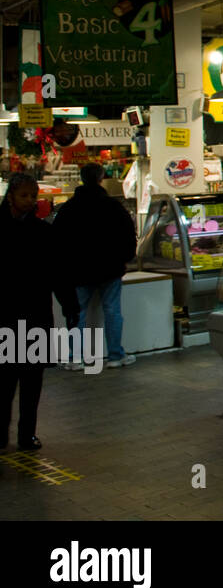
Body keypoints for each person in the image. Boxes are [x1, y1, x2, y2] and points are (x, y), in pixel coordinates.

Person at [53, 163, 139, 369]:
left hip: (78, 272)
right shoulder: (114, 207)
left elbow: (56, 241)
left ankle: (76, 358)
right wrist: (125, 259)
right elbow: (128, 236)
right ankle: (116, 356)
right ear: (101, 179)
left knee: (77, 312)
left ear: (81, 179)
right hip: (110, 270)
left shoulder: (68, 209)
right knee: (112, 311)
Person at [1, 174, 61, 449]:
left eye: (32, 195)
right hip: (5, 318)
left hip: (35, 317)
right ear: (11, 195)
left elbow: (56, 274)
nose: (29, 201)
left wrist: (70, 306)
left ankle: (27, 434)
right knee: (4, 383)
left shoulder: (42, 232)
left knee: (31, 381)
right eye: (24, 195)